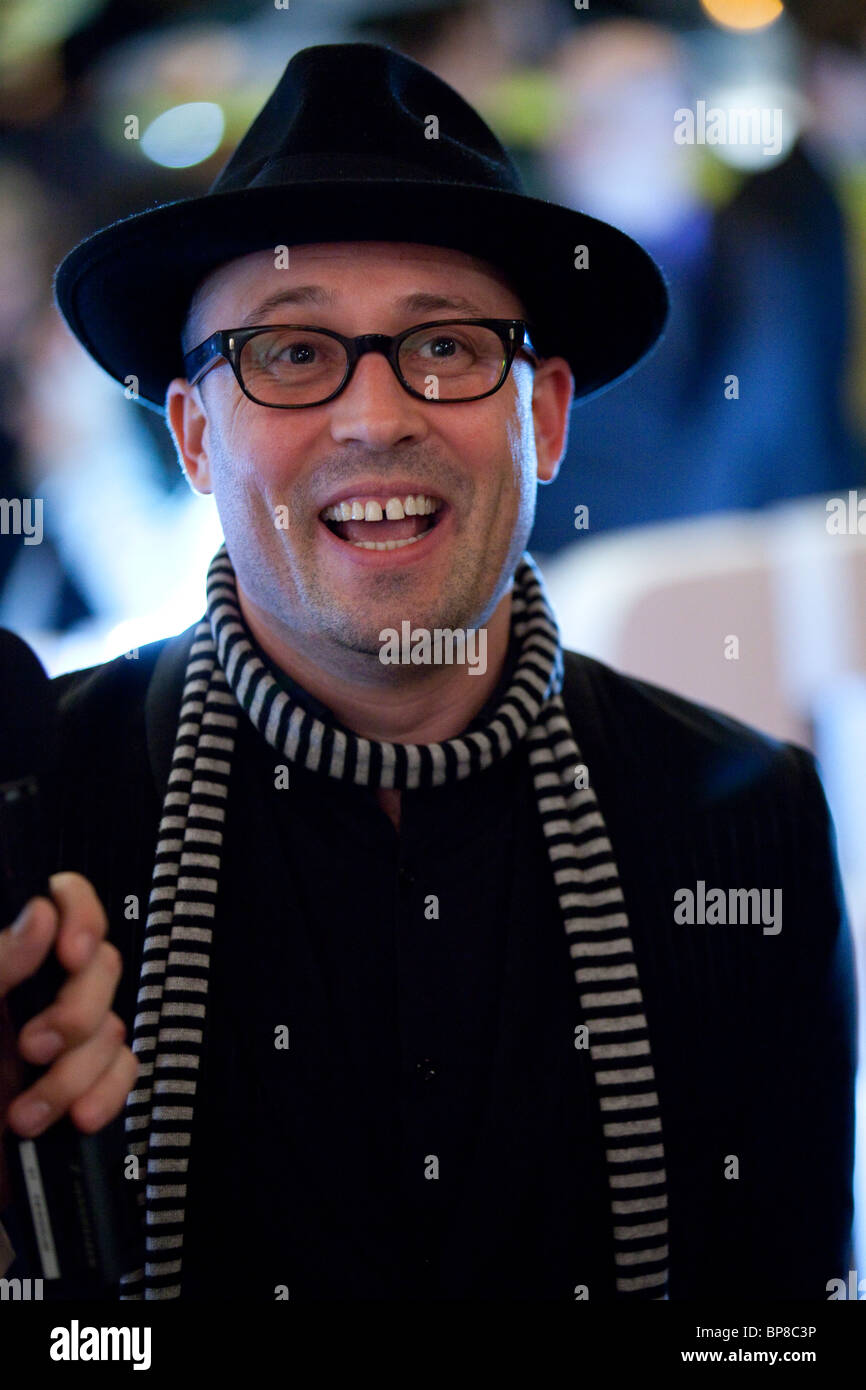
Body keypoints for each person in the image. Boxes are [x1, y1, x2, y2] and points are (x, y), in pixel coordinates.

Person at [0, 41, 856, 1302]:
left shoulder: (745, 822)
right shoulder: (34, 813)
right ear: (192, 438)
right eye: (288, 354)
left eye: (447, 347)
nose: (372, 416)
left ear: (546, 417)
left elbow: (772, 1316)